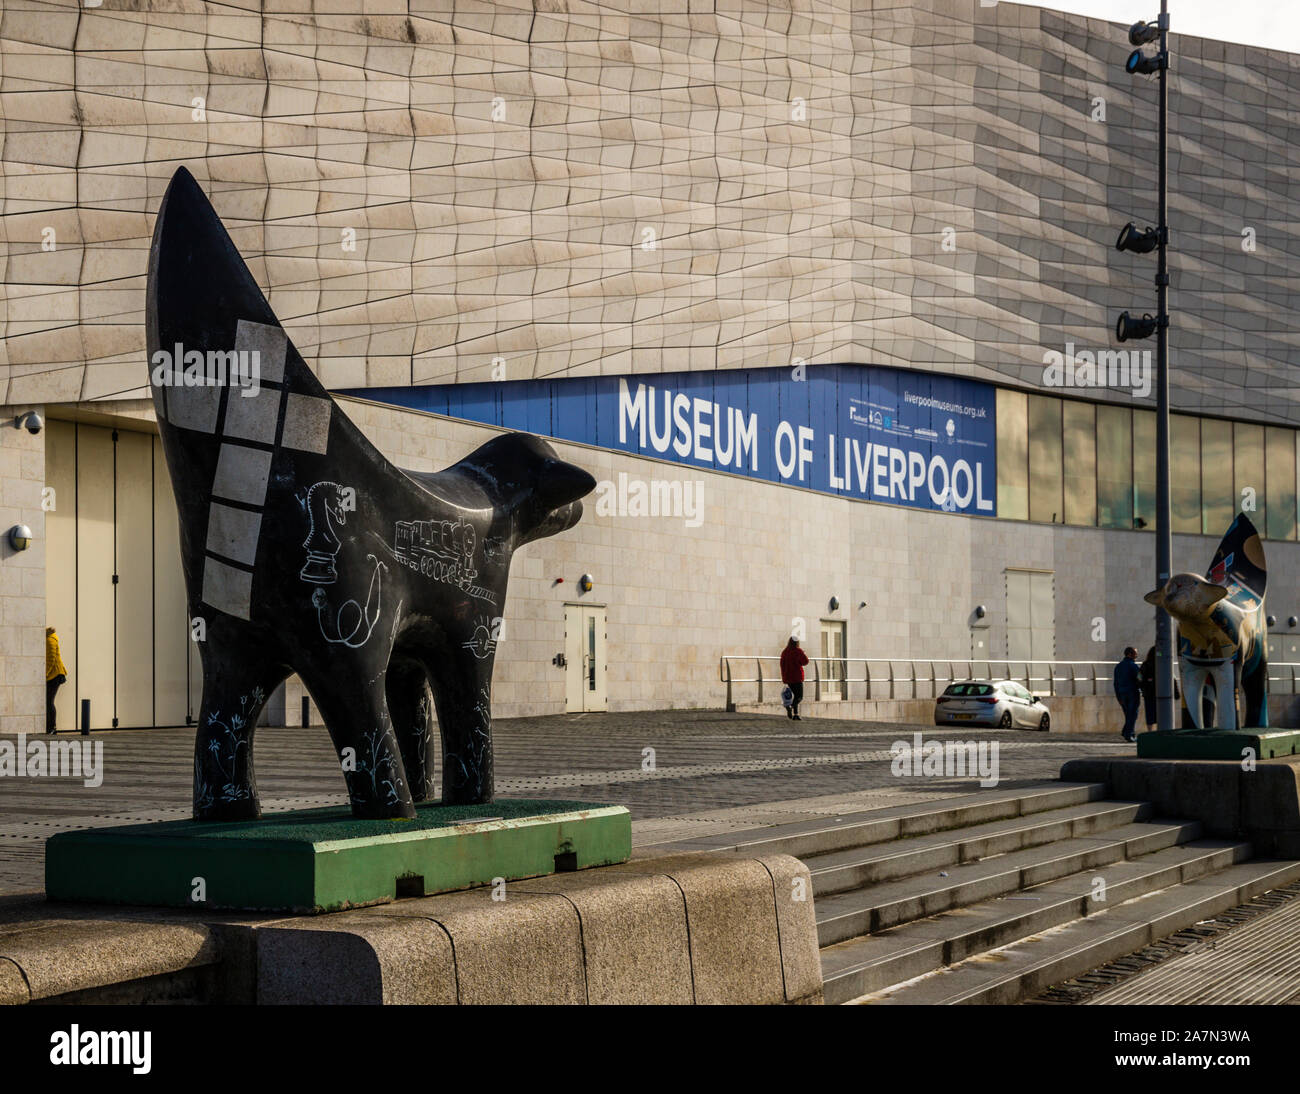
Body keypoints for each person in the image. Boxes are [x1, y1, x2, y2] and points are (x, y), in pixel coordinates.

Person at [1114, 646, 1141, 742]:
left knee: (1128, 714)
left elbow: (1116, 683)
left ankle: (1127, 731)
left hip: (1122, 693)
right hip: (1133, 692)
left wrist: (1118, 696)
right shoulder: (1133, 666)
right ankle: (1128, 734)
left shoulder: (1118, 666)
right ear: (1130, 654)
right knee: (1133, 714)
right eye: (1135, 653)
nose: (1137, 655)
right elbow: (1140, 679)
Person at [780, 636, 809, 721]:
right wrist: (803, 653)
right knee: (799, 696)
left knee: (794, 696)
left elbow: (782, 665)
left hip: (788, 677)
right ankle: (791, 707)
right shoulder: (798, 651)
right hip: (797, 677)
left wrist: (784, 677)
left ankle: (795, 714)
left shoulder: (785, 652)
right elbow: (805, 662)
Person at [45, 626, 67, 735]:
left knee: (49, 701)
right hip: (53, 675)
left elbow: (51, 660)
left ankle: (52, 728)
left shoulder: (50, 640)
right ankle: (49, 727)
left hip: (55, 675)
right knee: (48, 701)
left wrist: (45, 675)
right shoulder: (49, 639)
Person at [1139, 645, 1157, 731]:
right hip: (1160, 693)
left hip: (1148, 693)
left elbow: (1139, 677)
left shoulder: (1145, 664)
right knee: (1161, 713)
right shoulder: (1163, 665)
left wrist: (1142, 687)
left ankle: (1150, 730)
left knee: (1149, 713)